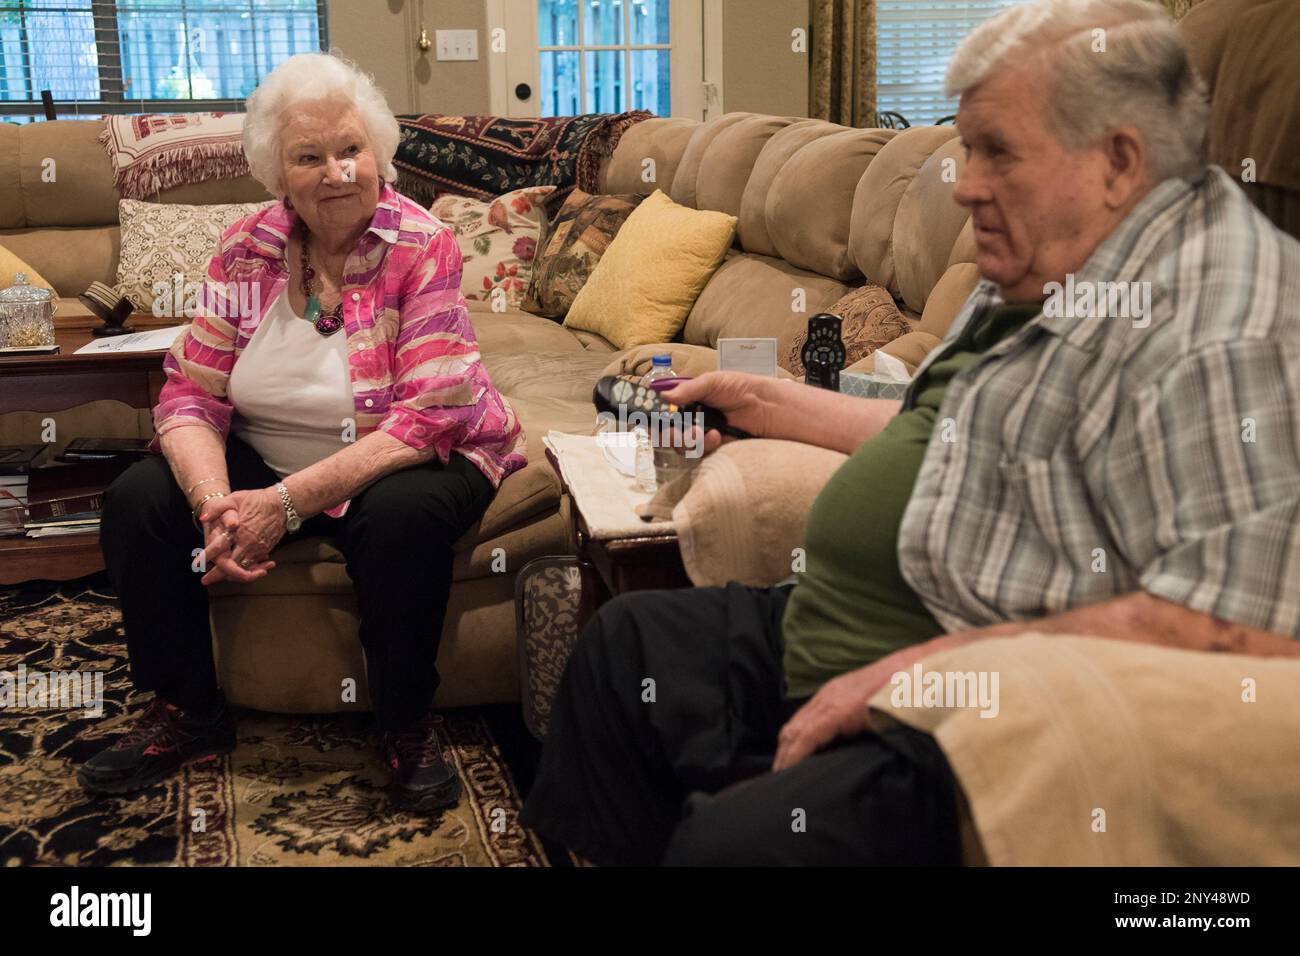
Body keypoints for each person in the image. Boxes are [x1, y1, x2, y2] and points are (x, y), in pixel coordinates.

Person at [521, 0, 1300, 865]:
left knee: (733, 846)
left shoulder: (1223, 326)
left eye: (997, 151)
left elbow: (1241, 628)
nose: (964, 185)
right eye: (966, 147)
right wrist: (763, 402)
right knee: (626, 651)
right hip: (852, 628)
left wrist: (921, 676)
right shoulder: (1044, 273)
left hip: (978, 705)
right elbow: (936, 428)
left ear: (1118, 160)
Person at [80, 53, 526, 813]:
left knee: (400, 522)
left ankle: (404, 721)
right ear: (276, 172)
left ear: (378, 151)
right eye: (308, 157)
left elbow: (428, 414)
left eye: (350, 149)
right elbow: (191, 390)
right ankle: (188, 710)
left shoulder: (421, 244)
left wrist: (284, 506)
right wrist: (216, 501)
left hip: (409, 448)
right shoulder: (246, 246)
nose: (336, 172)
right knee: (138, 501)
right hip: (270, 450)